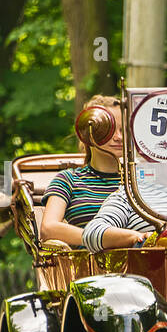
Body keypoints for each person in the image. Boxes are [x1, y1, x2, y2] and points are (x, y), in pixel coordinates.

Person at [40, 94, 123, 246]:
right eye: (109, 129)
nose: (119, 137)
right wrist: (106, 239)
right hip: (89, 267)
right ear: (87, 132)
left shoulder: (141, 181)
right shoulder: (68, 180)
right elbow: (48, 228)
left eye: (124, 130)